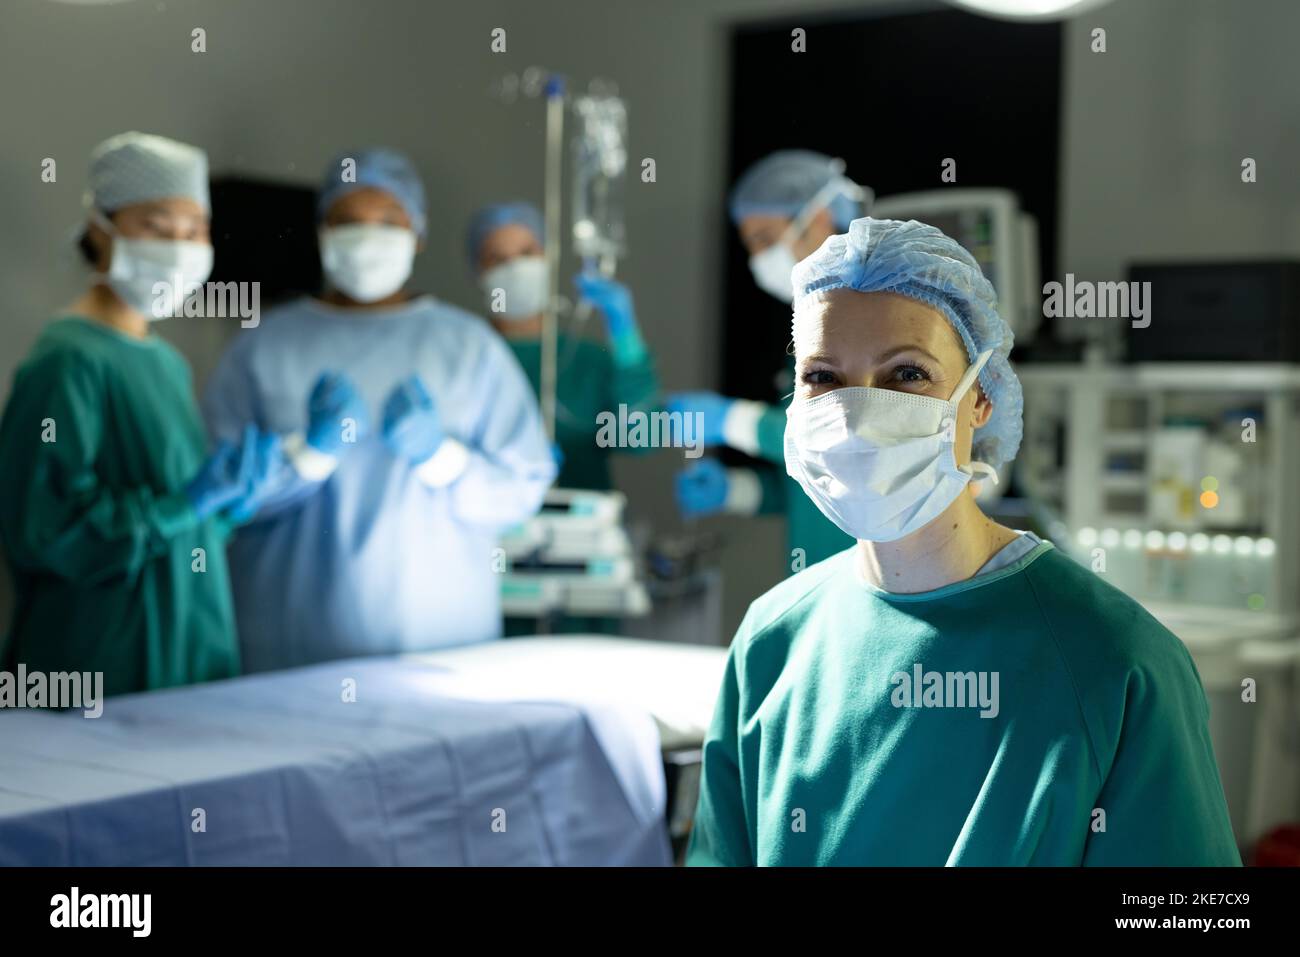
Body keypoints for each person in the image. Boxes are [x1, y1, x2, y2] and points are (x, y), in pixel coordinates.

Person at [687, 217, 1240, 866]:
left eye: (906, 374)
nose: (859, 413)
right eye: (823, 377)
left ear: (980, 397)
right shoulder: (771, 641)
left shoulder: (1115, 664)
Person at [204, 149, 555, 672]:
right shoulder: (262, 347)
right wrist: (305, 459)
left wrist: (443, 459)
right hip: (287, 652)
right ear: (322, 231)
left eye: (389, 221)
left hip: (441, 650)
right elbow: (217, 497)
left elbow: (519, 490)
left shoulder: (468, 345)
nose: (368, 236)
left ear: (418, 233)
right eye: (348, 221)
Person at [0, 132, 275, 697]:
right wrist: (184, 505)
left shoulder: (167, 363)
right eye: (156, 226)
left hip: (189, 648)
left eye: (195, 230)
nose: (180, 245)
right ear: (100, 228)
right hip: (100, 662)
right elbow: (46, 532)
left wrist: (221, 510)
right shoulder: (68, 361)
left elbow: (169, 518)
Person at [668, 150, 869, 571]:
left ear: (816, 219)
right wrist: (737, 490)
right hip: (819, 583)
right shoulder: (812, 328)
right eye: (750, 245)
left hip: (875, 584)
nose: (758, 259)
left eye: (764, 238)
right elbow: (818, 482)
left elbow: (853, 448)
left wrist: (733, 421)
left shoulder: (876, 317)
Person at [466, 201, 660, 491]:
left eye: (526, 253)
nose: (515, 268)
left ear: (547, 257)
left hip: (580, 528)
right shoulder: (465, 359)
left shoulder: (586, 361)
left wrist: (626, 338)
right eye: (497, 259)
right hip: (491, 526)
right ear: (479, 271)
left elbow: (643, 440)